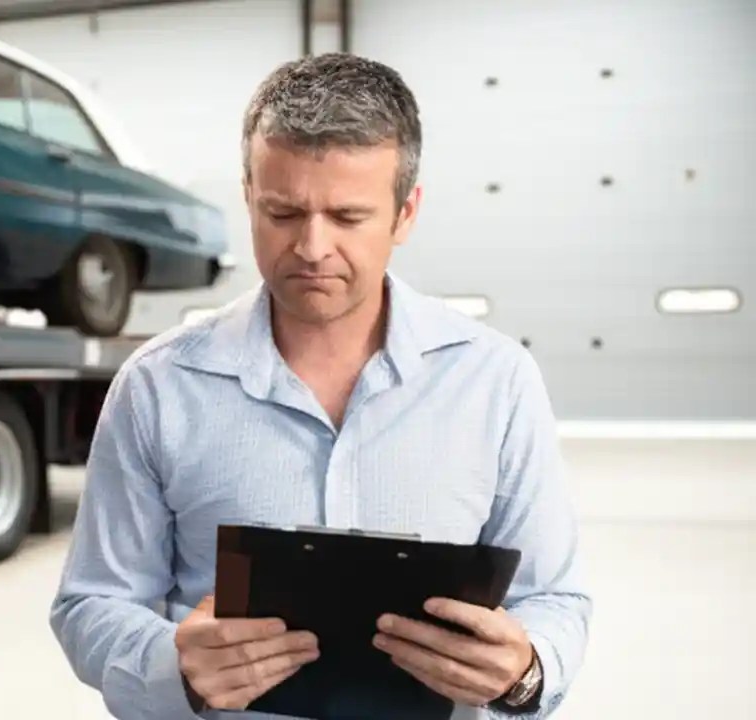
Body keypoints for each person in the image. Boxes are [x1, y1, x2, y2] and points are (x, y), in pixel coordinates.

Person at [48, 52, 592, 720]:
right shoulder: (158, 386)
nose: (311, 246)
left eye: (347, 216)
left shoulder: (495, 381)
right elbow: (92, 602)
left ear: (405, 213)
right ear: (248, 195)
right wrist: (174, 667)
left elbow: (556, 598)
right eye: (282, 212)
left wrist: (525, 672)